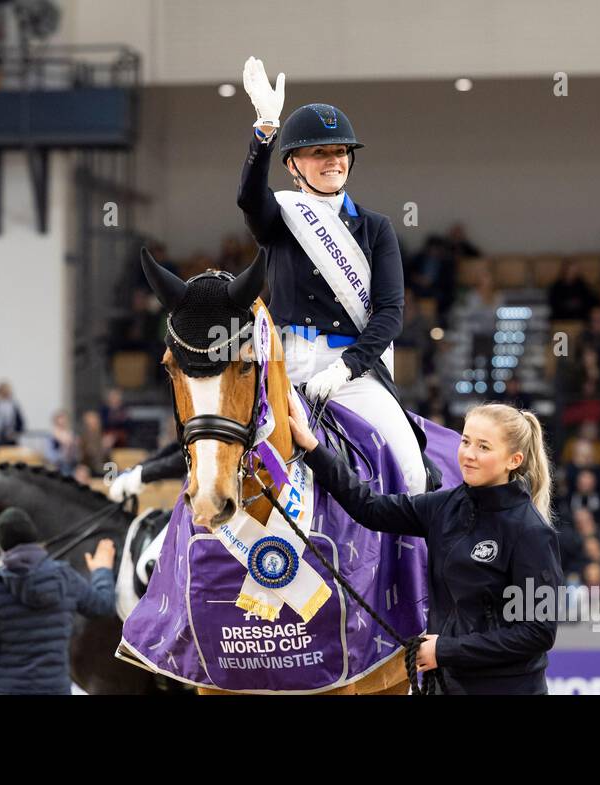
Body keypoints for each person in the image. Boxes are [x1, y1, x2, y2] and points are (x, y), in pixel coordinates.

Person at [238, 56, 427, 494]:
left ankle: (417, 563)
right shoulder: (281, 218)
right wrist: (266, 129)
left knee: (414, 473)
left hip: (349, 373)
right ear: (292, 165)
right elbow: (249, 199)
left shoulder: (375, 228)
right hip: (283, 367)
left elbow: (390, 314)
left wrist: (345, 369)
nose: (333, 160)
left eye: (340, 151)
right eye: (319, 152)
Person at [289, 401, 563, 695]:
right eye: (466, 441)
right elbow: (369, 508)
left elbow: (537, 633)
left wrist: (444, 650)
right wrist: (314, 448)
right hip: (445, 686)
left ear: (514, 460)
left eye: (484, 447)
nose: (468, 455)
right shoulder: (445, 506)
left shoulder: (531, 532)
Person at [0, 508, 118, 695]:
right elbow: (104, 606)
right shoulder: (65, 577)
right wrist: (102, 571)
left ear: (1, 546)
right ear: (34, 538)